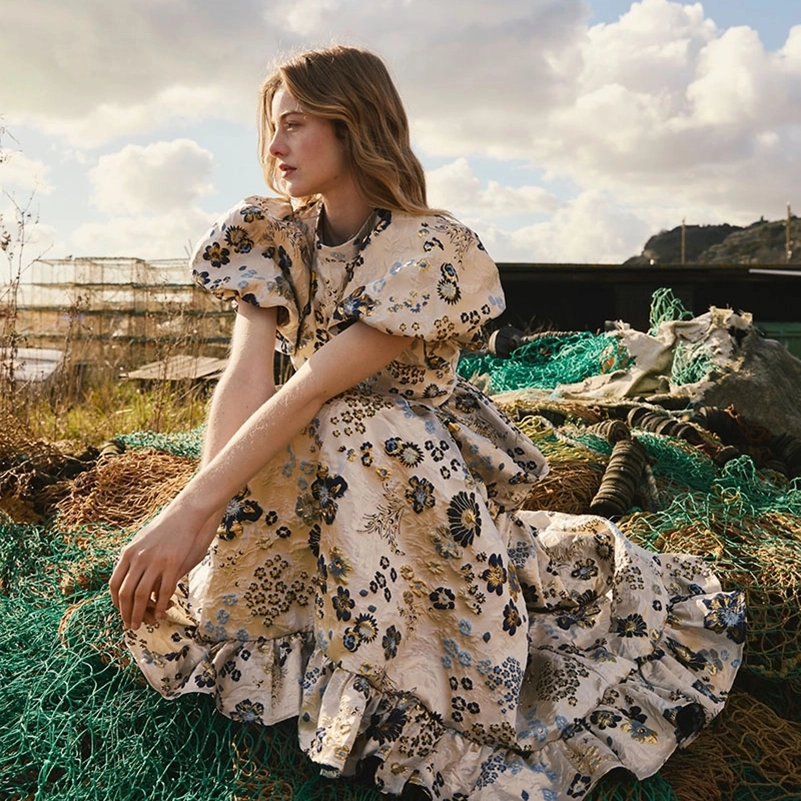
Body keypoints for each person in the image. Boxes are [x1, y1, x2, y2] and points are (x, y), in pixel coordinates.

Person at [110, 45, 745, 800]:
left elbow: (314, 387)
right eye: (272, 126)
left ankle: (404, 666)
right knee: (288, 444)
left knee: (356, 421)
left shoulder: (430, 250)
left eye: (296, 123)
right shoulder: (270, 234)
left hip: (407, 473)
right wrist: (200, 519)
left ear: (353, 124)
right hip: (314, 474)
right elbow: (250, 381)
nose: (275, 145)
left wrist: (193, 508)